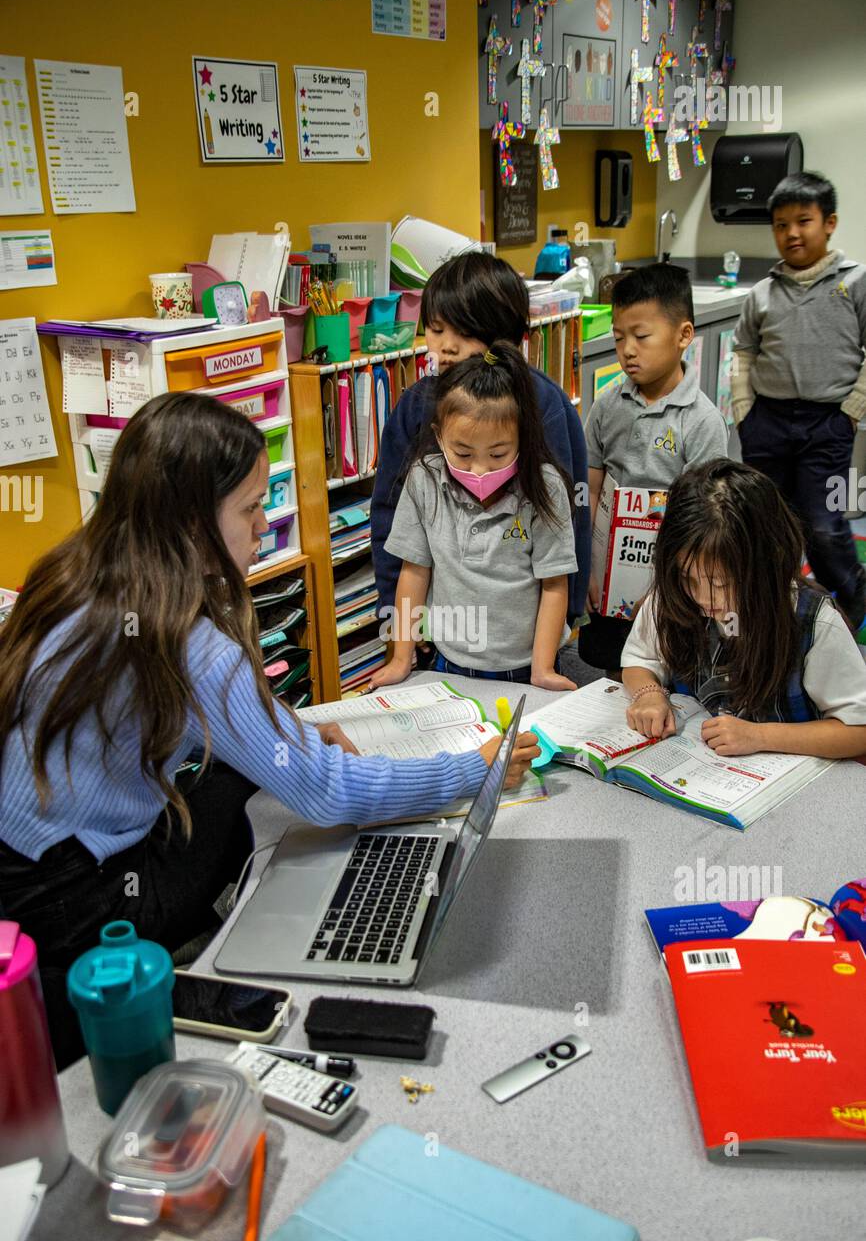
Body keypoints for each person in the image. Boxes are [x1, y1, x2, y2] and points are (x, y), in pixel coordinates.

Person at [0, 392, 538, 1067]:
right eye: (252, 509)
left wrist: (290, 735)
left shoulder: (80, 567)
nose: (264, 527)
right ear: (193, 526)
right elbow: (328, 794)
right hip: (75, 900)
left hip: (20, 864)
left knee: (243, 776)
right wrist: (474, 768)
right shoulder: (183, 639)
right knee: (257, 800)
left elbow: (238, 714)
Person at [371, 252, 591, 636]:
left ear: (507, 335)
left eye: (466, 332)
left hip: (523, 632)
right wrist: (399, 617)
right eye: (437, 330)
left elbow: (571, 515)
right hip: (440, 627)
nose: (448, 346)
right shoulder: (416, 406)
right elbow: (389, 515)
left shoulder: (543, 403)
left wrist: (567, 614)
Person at [620, 459, 866, 759]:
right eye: (687, 578)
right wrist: (649, 694)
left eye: (722, 584)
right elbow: (639, 660)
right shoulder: (672, 598)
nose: (705, 599)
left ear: (768, 565)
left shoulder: (814, 622)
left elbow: (858, 730)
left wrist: (759, 735)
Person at [368, 342, 578, 689]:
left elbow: (554, 583)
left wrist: (543, 670)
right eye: (463, 453)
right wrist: (401, 658)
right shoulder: (425, 479)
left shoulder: (545, 487)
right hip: (449, 658)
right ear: (439, 436)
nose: (480, 469)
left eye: (498, 454)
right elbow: (413, 571)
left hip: (526, 663)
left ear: (522, 439)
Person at [732, 171, 866, 631]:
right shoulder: (762, 293)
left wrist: (851, 412)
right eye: (781, 224)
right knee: (769, 527)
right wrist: (743, 413)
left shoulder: (855, 282)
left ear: (829, 223)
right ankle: (783, 612)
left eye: (803, 221)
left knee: (823, 528)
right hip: (766, 421)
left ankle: (852, 595)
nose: (791, 233)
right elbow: (744, 351)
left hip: (826, 423)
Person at [582, 263, 729, 675]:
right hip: (610, 577)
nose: (628, 349)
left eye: (642, 336)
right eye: (618, 338)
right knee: (613, 665)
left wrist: (670, 585)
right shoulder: (606, 407)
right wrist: (588, 569)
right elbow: (589, 490)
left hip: (672, 581)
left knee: (670, 667)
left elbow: (705, 518)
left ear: (683, 335)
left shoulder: (702, 422)